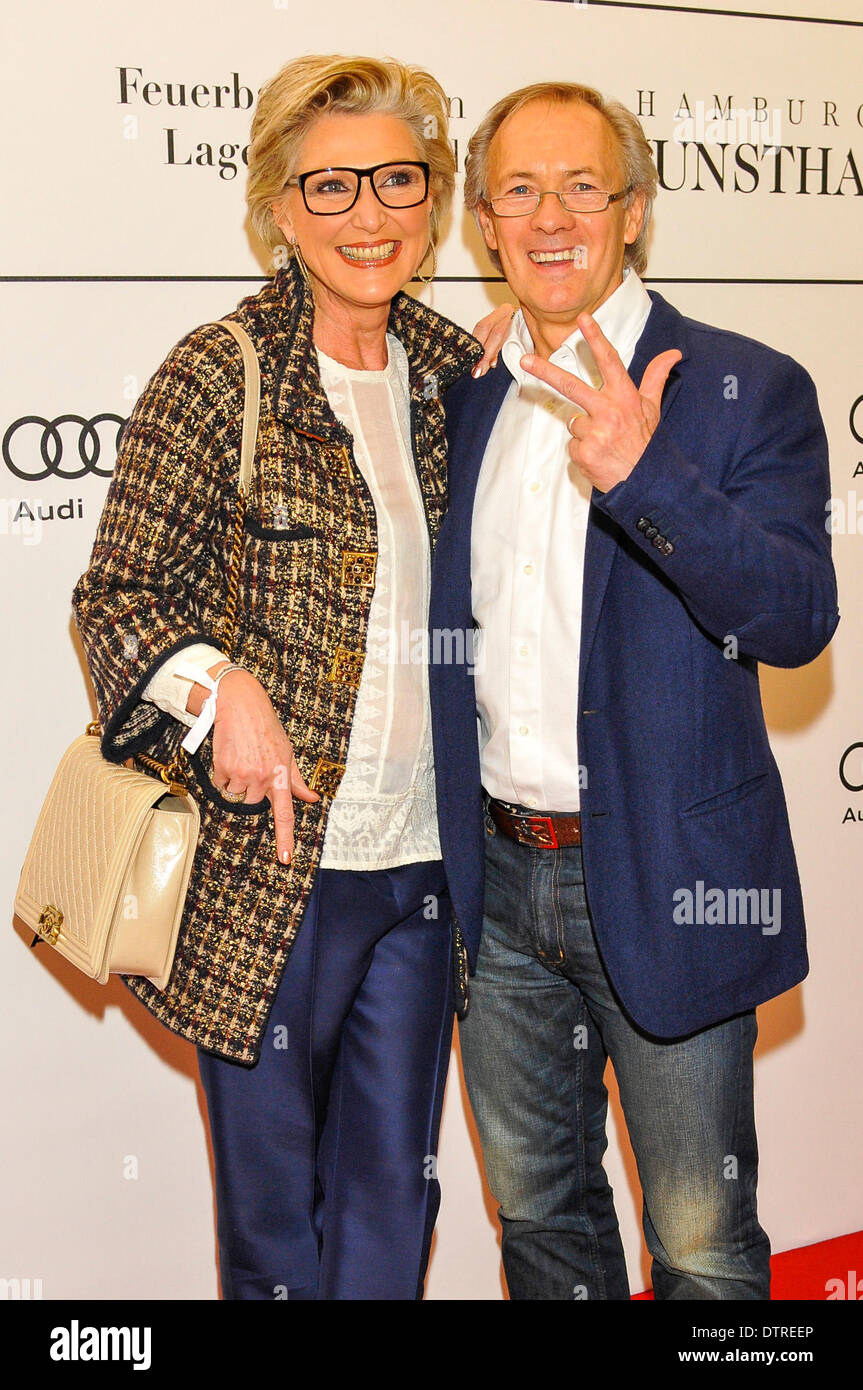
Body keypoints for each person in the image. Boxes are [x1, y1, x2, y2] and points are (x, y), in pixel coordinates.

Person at [72, 54, 488, 1301]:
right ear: (277, 208)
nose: (367, 214)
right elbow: (115, 599)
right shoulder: (223, 370)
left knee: (389, 1207)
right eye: (330, 186)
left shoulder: (459, 375)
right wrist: (217, 687)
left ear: (434, 198)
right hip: (270, 875)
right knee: (272, 1229)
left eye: (396, 180)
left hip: (423, 868)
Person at [428, 81, 839, 1300]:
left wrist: (643, 472)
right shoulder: (472, 393)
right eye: (517, 189)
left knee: (701, 1240)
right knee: (542, 1222)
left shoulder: (740, 387)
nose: (549, 214)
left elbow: (794, 615)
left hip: (671, 872)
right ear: (485, 225)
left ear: (634, 211)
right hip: (496, 889)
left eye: (580, 186)